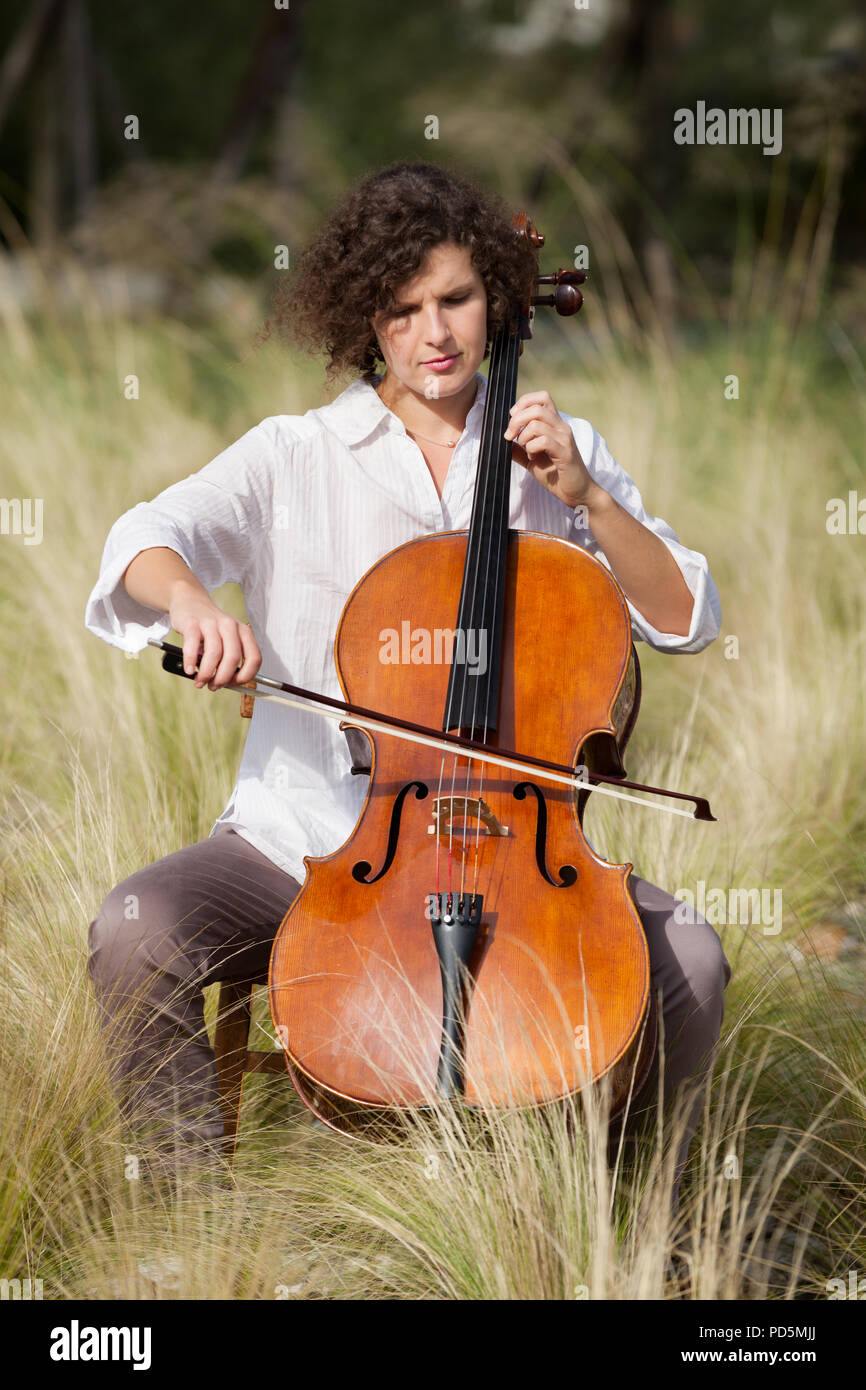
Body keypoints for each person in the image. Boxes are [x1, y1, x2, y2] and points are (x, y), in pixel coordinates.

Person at [85, 160, 729, 1200]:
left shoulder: (558, 455)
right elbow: (144, 538)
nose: (434, 333)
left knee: (690, 961)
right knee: (138, 930)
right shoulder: (292, 456)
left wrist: (588, 498)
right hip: (305, 842)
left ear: (498, 301)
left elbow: (683, 615)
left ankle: (636, 1222)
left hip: (522, 859)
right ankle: (183, 1227)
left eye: (456, 299)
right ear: (364, 319)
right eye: (402, 308)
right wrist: (193, 605)